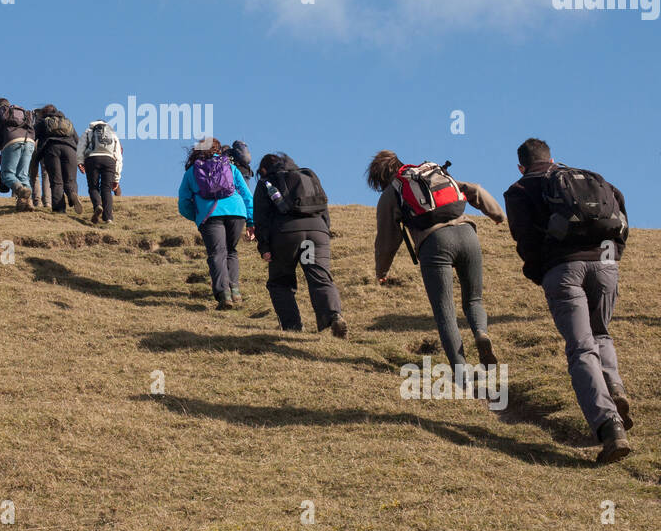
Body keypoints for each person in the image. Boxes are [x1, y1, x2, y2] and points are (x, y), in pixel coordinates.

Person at [503, 138, 633, 464]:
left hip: (564, 271)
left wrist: (541, 272)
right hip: (606, 266)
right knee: (601, 332)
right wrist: (611, 257)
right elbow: (620, 212)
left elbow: (526, 240)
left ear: (522, 165)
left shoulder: (519, 190)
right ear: (552, 159)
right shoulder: (589, 178)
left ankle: (609, 426)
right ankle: (614, 388)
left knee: (580, 347)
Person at [366, 151, 505, 371]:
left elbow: (386, 240)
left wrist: (381, 271)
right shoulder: (431, 173)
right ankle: (481, 333)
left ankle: (462, 372)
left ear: (380, 178)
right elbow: (474, 189)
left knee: (445, 312)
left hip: (435, 243)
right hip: (468, 235)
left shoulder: (392, 192)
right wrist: (497, 215)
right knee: (474, 300)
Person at [254, 153, 347, 337]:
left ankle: (293, 327)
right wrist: (323, 233)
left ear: (264, 169)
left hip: (286, 235)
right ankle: (334, 316)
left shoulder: (267, 182)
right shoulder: (308, 177)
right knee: (320, 278)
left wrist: (264, 246)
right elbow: (324, 209)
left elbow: (261, 216)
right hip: (317, 232)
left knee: (280, 282)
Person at [178, 136, 254, 311]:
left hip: (210, 215)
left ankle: (223, 295)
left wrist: (198, 216)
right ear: (218, 149)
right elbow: (246, 195)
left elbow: (183, 203)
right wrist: (251, 220)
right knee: (231, 251)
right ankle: (235, 291)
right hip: (237, 212)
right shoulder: (231, 167)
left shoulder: (191, 172)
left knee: (217, 254)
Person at [0, 97, 36, 210]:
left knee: (7, 174)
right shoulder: (20, 112)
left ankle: (20, 190)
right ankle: (28, 203)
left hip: (11, 141)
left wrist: (1, 146)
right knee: (23, 175)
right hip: (29, 141)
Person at [34, 105, 83, 214]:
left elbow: (33, 136)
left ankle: (59, 209)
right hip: (70, 150)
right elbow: (78, 140)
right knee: (70, 179)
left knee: (56, 181)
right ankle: (72, 194)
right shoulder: (67, 122)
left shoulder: (43, 122)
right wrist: (81, 160)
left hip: (51, 150)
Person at [77, 119, 123, 224]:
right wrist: (116, 178)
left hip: (92, 159)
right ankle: (108, 218)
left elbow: (81, 147)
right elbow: (118, 156)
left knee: (93, 187)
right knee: (106, 189)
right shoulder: (112, 133)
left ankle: (97, 205)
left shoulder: (89, 131)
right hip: (109, 160)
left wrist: (80, 162)